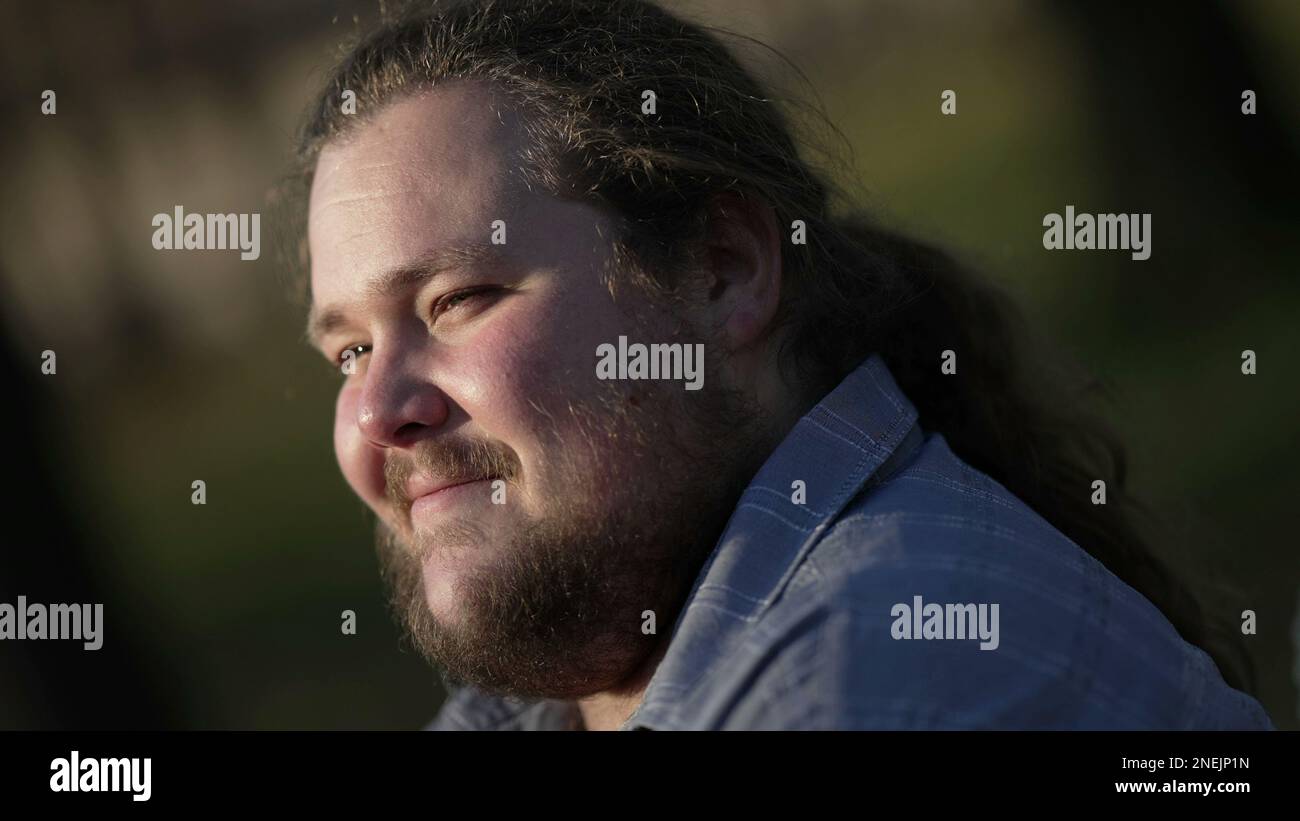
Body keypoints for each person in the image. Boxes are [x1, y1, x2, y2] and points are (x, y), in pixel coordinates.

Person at [287, 0, 1273, 730]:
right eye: (351, 349)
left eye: (457, 299)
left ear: (723, 271)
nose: (377, 409)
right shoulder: (543, 706)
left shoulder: (871, 686)